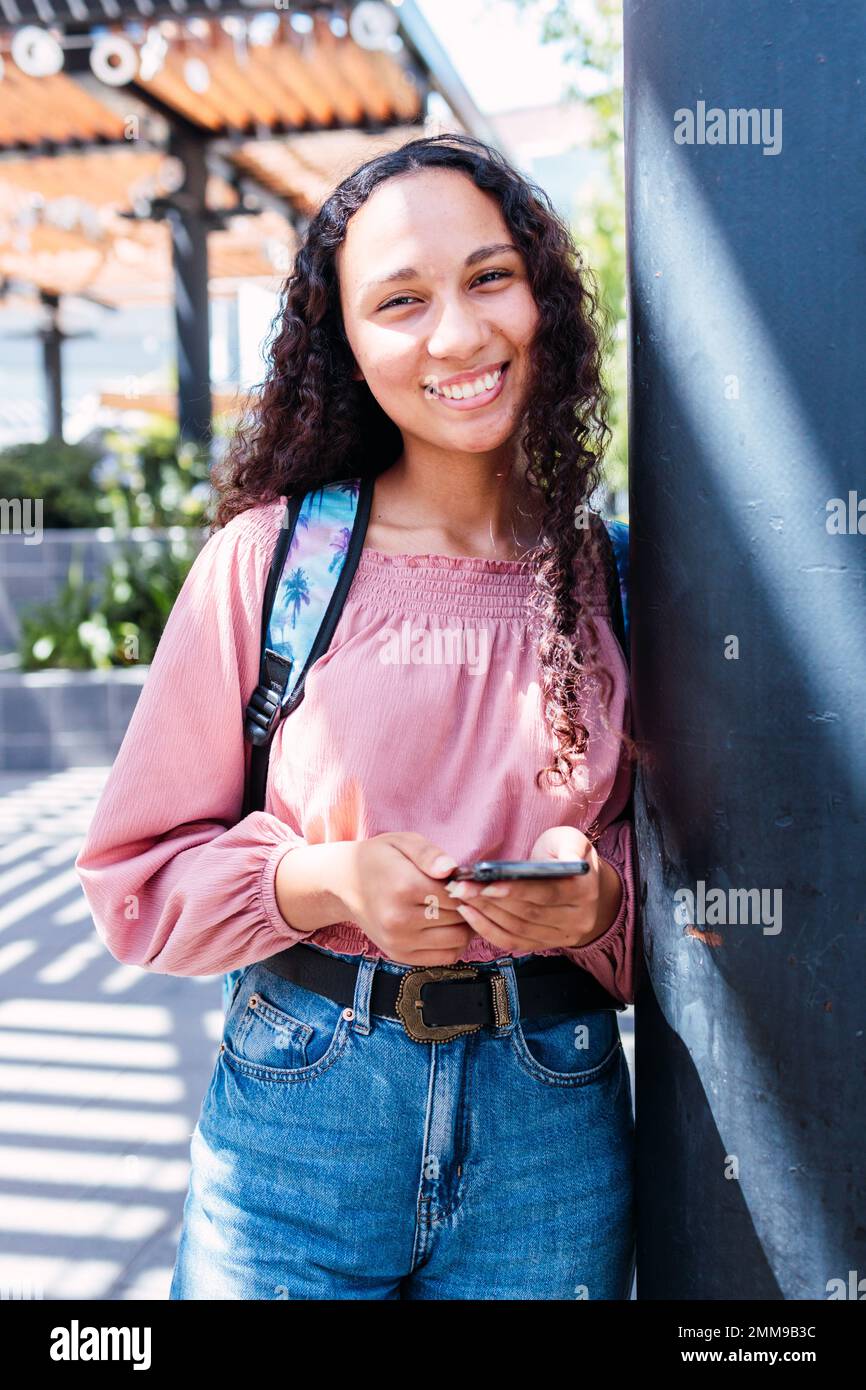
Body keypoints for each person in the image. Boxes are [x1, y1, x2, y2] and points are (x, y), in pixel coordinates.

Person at [75, 133, 641, 1300]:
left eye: (490, 277)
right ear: (348, 343)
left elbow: (720, 902)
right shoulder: (265, 566)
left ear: (540, 292)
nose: (458, 334)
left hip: (554, 1126)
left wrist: (596, 906)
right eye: (400, 301)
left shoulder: (622, 585)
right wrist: (320, 884)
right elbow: (133, 881)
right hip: (299, 1127)